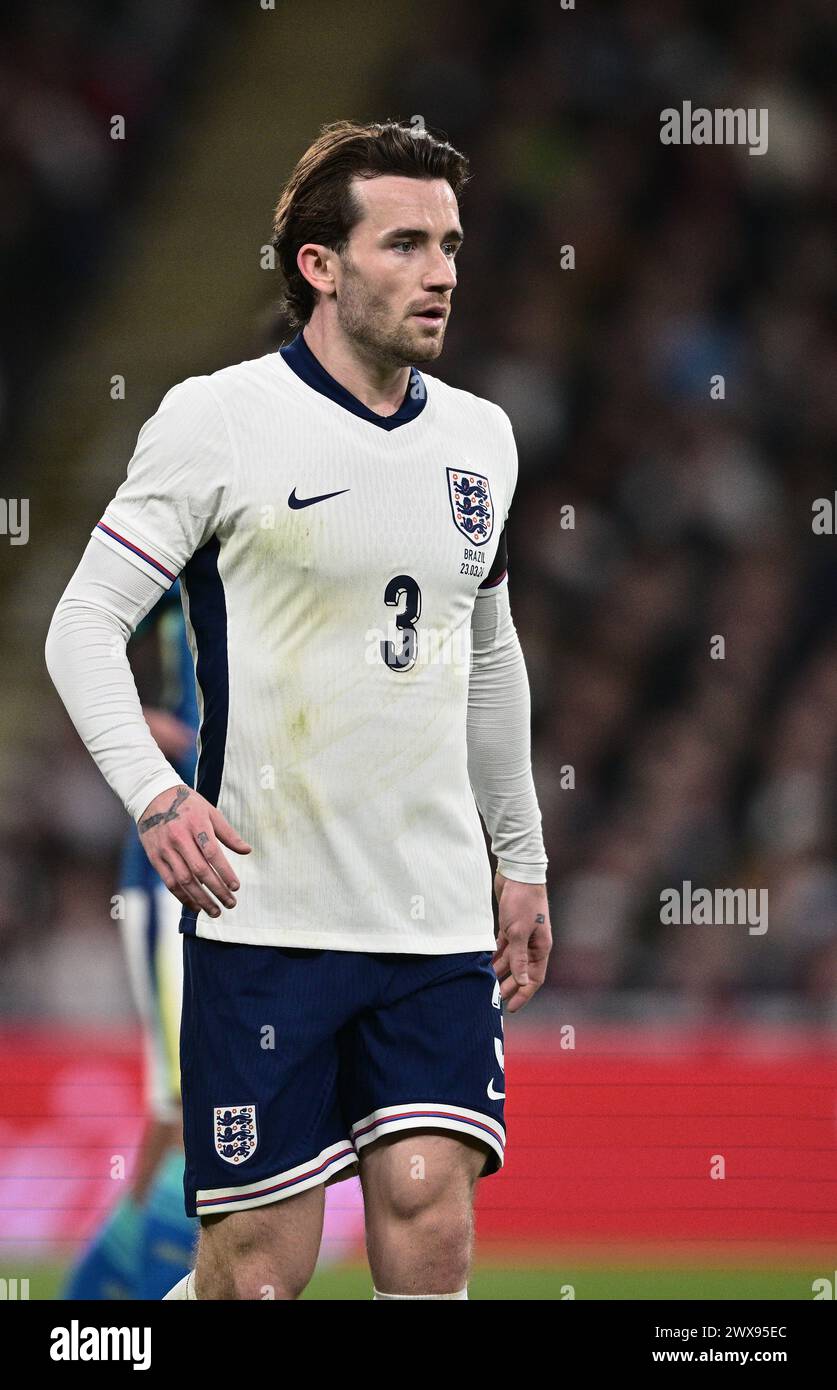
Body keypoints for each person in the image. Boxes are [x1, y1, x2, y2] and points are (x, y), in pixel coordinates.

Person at [45, 119, 552, 1301]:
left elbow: (491, 653)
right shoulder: (217, 420)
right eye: (408, 243)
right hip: (265, 912)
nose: (443, 273)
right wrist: (156, 795)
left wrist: (519, 859)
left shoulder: (484, 438)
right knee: (257, 1279)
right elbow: (81, 624)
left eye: (453, 245)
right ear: (320, 266)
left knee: (430, 1232)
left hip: (430, 922)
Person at [62, 583, 200, 1299]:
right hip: (177, 858)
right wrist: (126, 726)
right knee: (187, 1104)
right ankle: (109, 1303)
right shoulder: (181, 544)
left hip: (247, 853)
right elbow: (77, 628)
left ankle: (94, 1305)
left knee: (183, 1107)